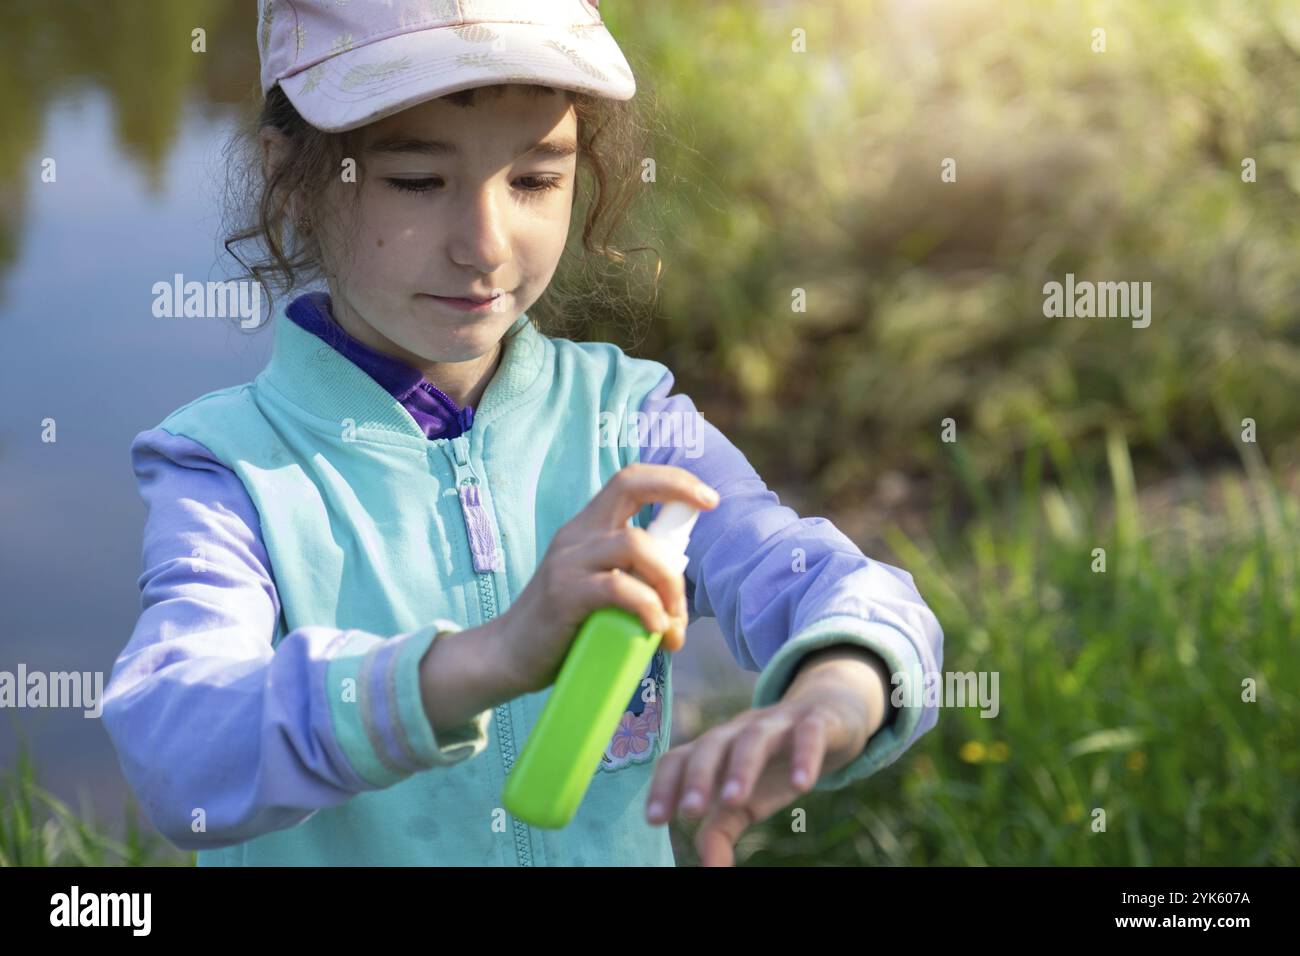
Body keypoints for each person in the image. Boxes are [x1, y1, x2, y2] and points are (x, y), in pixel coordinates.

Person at [102, 0, 944, 867]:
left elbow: (822, 576)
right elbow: (177, 748)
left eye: (536, 179)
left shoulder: (631, 422)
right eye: (419, 183)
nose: (487, 246)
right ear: (293, 181)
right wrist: (485, 660)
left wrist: (830, 698)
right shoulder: (229, 470)